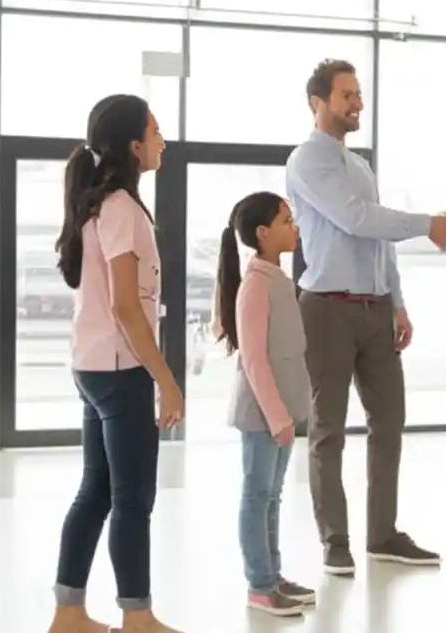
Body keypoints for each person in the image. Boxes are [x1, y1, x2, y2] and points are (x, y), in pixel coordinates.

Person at [286, 59, 446, 576]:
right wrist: (428, 223)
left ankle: (383, 534)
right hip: (326, 310)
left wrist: (397, 299)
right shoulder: (306, 162)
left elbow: (379, 239)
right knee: (328, 430)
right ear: (319, 101)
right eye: (347, 95)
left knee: (389, 423)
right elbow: (357, 220)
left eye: (359, 94)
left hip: (375, 308)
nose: (357, 103)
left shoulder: (360, 165)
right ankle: (336, 541)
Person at [49, 94, 182, 633]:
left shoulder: (99, 203)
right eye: (155, 130)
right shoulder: (123, 208)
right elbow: (128, 307)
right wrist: (166, 380)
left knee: (97, 490)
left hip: (92, 364)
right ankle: (138, 618)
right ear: (133, 145)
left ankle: (69, 612)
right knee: (133, 499)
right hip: (119, 369)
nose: (162, 140)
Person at [214, 192, 315, 617]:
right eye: (286, 220)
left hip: (283, 412)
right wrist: (277, 417)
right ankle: (260, 584)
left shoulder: (276, 276)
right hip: (263, 415)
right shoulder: (255, 284)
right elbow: (254, 358)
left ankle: (273, 576)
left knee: (272, 495)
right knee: (257, 495)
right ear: (262, 233)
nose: (294, 227)